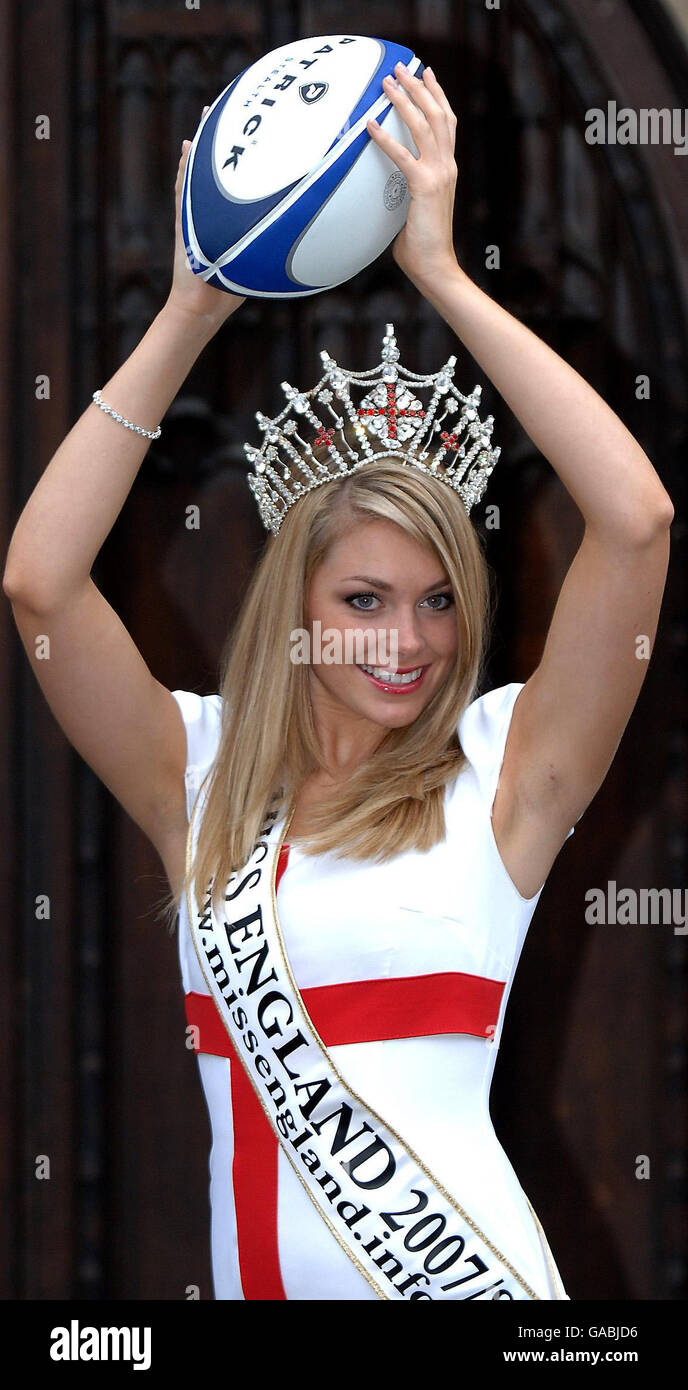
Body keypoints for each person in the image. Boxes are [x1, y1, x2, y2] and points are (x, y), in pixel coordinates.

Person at [3, 62, 673, 1302]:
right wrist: (196, 303)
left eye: (436, 602)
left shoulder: (504, 775)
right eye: (361, 602)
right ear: (291, 613)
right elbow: (41, 584)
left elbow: (634, 522)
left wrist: (443, 278)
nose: (405, 641)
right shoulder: (194, 779)